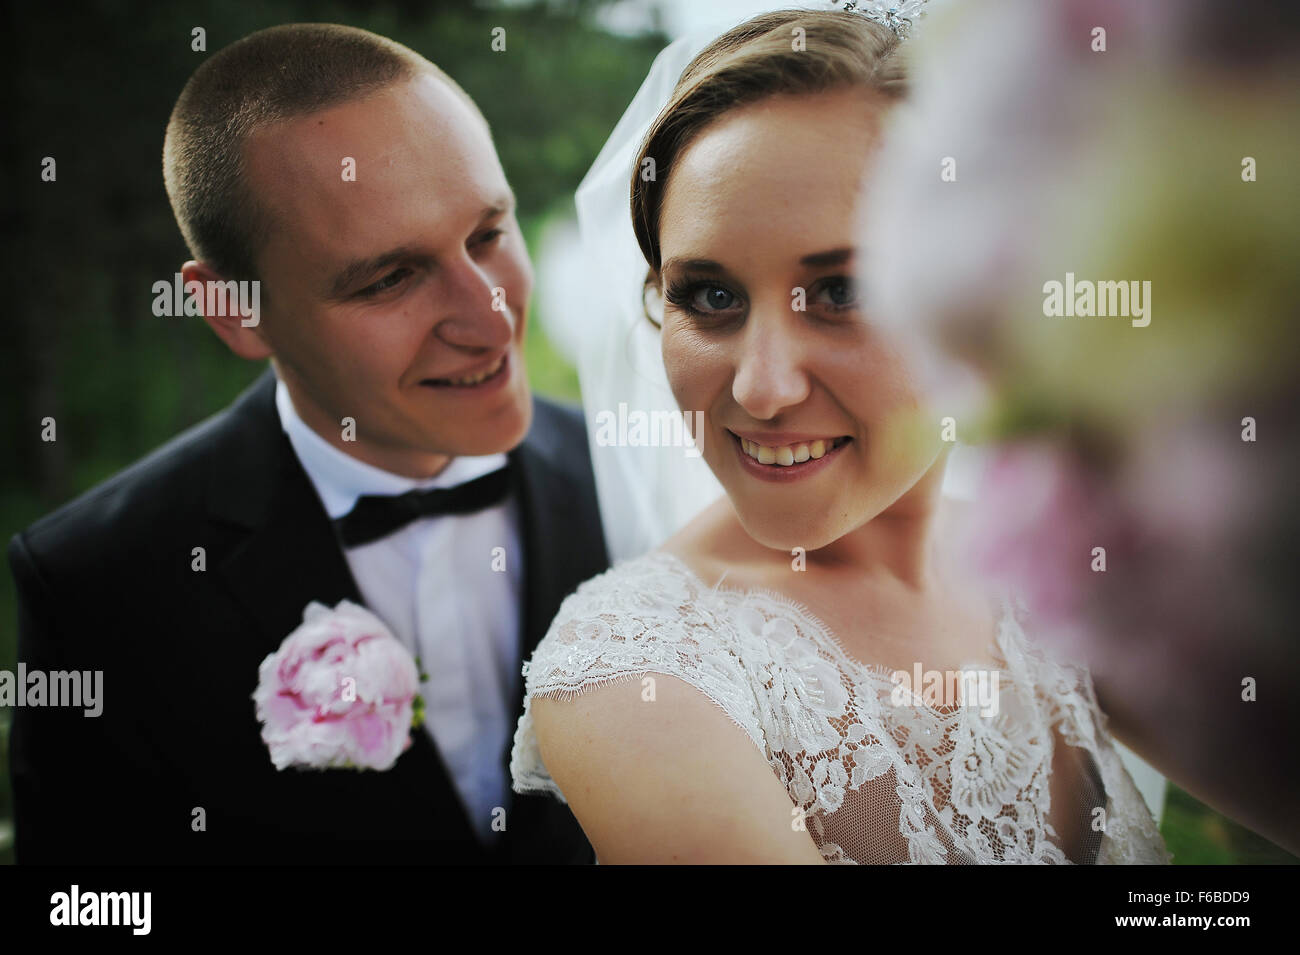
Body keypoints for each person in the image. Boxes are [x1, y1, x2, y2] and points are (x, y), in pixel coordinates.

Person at [510, 8, 1171, 864]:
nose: (761, 387)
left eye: (843, 291)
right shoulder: (632, 671)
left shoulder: (1047, 559)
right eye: (709, 297)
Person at [7, 23, 607, 864]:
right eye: (390, 277)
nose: (490, 317)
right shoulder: (96, 582)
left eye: (487, 234)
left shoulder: (639, 479)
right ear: (235, 311)